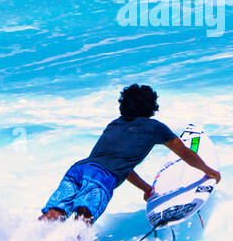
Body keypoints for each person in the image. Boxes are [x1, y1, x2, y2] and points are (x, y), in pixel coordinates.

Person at [40, 83, 221, 225]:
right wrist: (209, 171)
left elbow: (122, 167)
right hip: (102, 177)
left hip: (78, 170)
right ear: (152, 106)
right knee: (81, 222)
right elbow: (186, 154)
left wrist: (146, 189)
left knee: (54, 214)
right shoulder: (154, 128)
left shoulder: (115, 125)